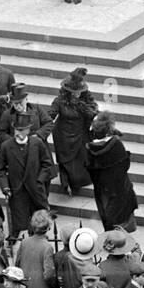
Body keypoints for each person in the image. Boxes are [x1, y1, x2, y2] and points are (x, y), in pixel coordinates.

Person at [0, 117, 53, 236]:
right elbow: (0, 170)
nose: (17, 133)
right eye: (16, 130)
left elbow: (47, 164)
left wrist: (40, 180)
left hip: (36, 191)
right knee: (20, 226)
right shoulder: (6, 146)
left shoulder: (37, 144)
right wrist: (5, 187)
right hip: (17, 192)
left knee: (39, 225)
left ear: (28, 130)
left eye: (21, 130)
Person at [46, 67, 98, 195]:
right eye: (74, 92)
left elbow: (94, 111)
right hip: (63, 134)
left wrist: (85, 109)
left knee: (81, 159)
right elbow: (50, 115)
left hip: (81, 133)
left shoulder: (86, 98)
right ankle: (66, 182)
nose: (77, 94)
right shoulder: (60, 101)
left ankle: (81, 179)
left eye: (79, 91)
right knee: (66, 161)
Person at [86, 113, 138, 233]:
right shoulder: (116, 145)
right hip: (120, 189)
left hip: (103, 191)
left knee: (109, 219)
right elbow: (125, 165)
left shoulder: (90, 149)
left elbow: (91, 172)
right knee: (123, 222)